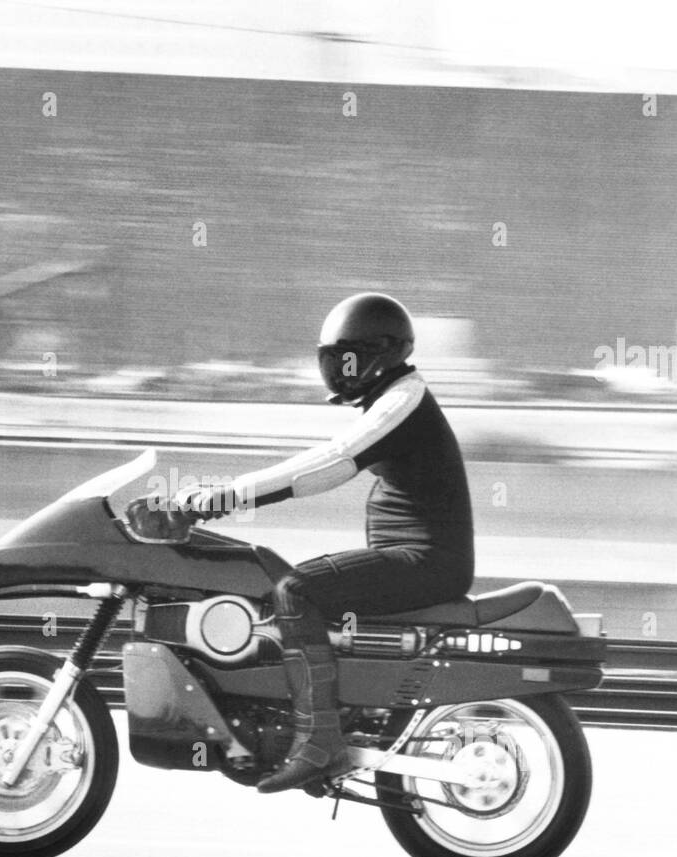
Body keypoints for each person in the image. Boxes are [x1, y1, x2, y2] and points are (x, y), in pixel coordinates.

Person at [176, 293, 475, 793]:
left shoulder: (404, 402)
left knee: (297, 590)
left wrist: (225, 496)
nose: (338, 369)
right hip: (415, 558)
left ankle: (319, 744)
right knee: (275, 582)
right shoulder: (397, 398)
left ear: (380, 353)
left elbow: (330, 464)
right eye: (332, 359)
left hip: (426, 562)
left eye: (347, 358)